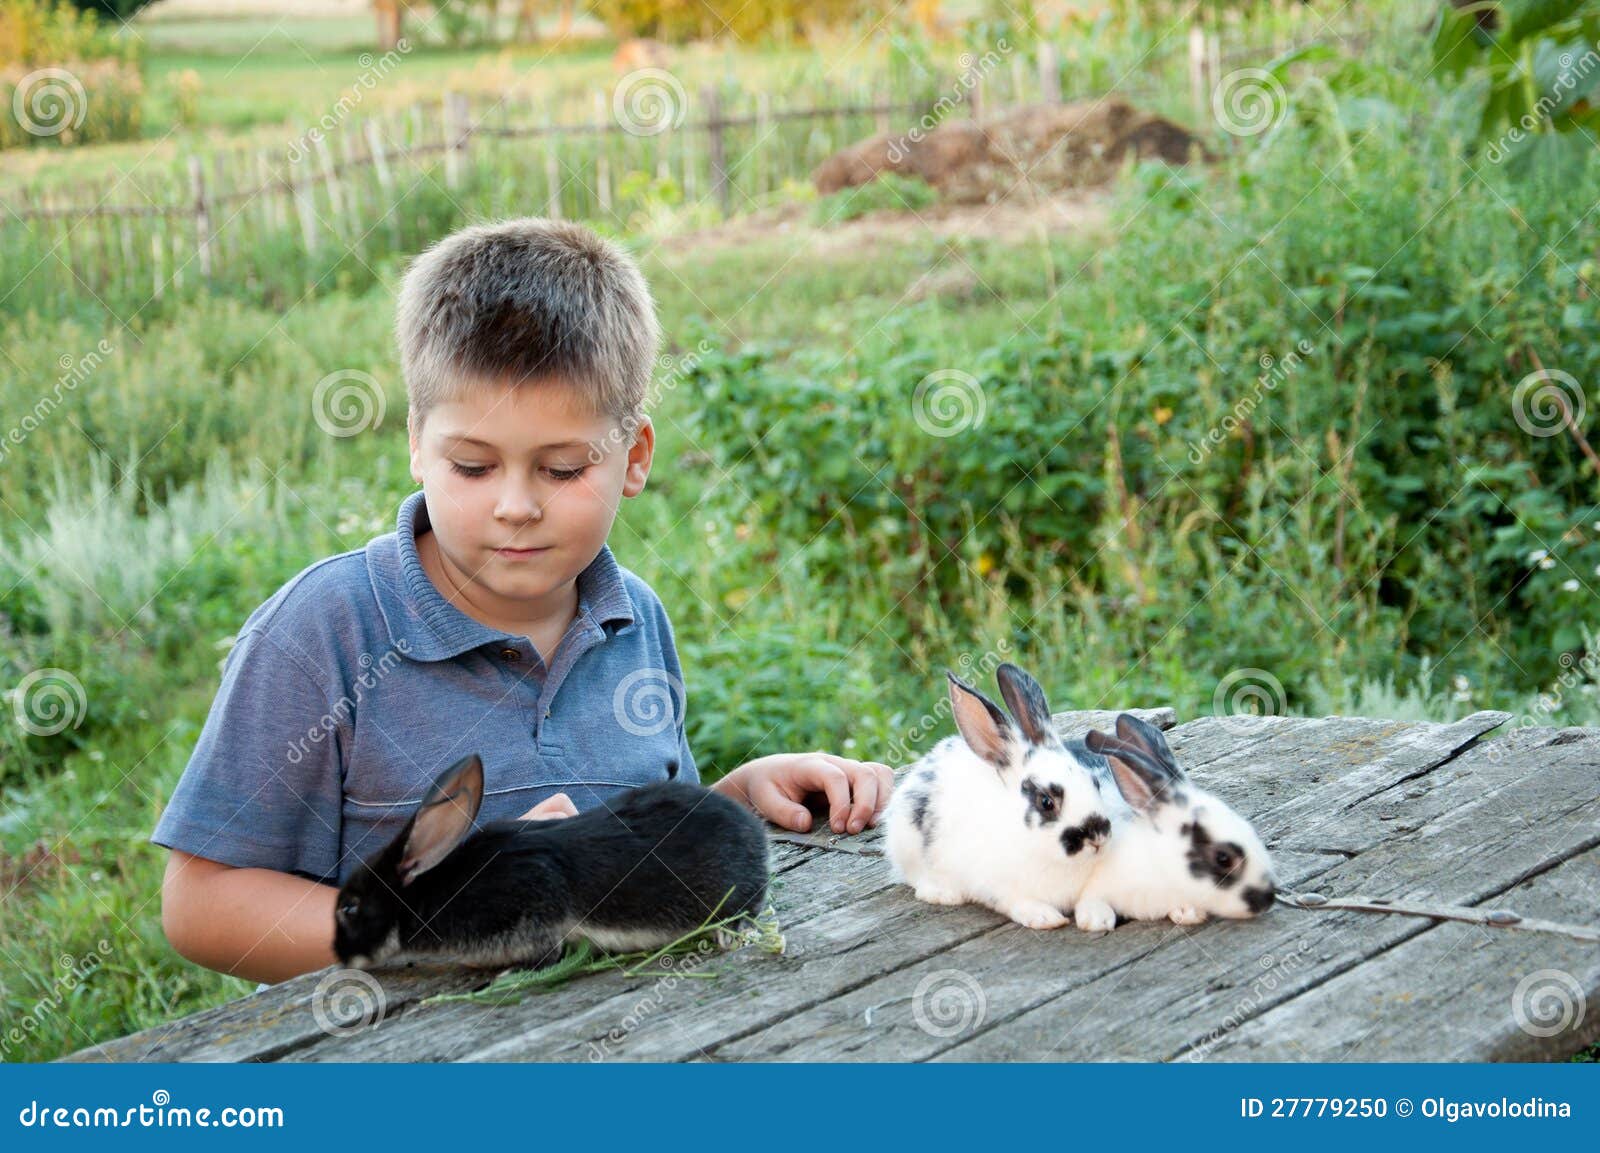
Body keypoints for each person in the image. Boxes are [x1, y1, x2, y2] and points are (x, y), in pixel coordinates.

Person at [153, 218, 894, 985]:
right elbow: (202, 904)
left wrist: (734, 800)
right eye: (472, 466)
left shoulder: (632, 620)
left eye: (563, 469)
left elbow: (613, 858)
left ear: (633, 457)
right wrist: (446, 921)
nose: (516, 505)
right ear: (416, 441)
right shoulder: (322, 634)